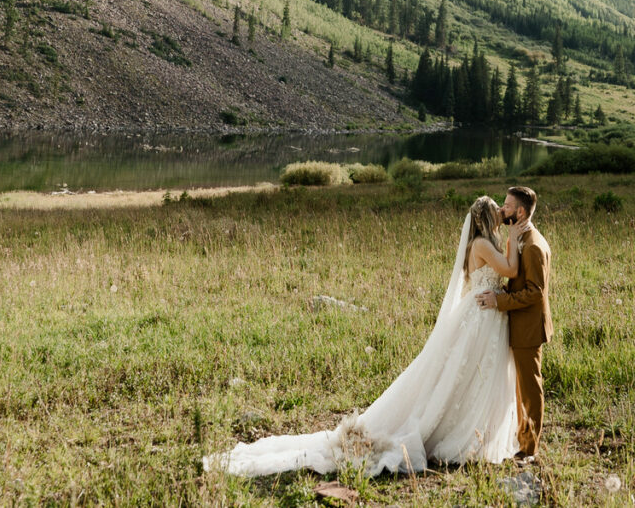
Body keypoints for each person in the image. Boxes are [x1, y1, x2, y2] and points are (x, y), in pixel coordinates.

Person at [204, 194, 523, 476]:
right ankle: (459, 433)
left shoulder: (485, 243)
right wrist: (514, 235)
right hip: (480, 315)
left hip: (486, 315)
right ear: (486, 217)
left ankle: (476, 427)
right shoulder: (481, 245)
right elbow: (509, 270)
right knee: (462, 374)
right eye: (497, 209)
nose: (501, 213)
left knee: (469, 376)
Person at [476, 185, 551, 461]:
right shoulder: (521, 238)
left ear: (519, 212)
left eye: (506, 206)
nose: (502, 209)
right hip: (519, 324)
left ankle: (529, 449)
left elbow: (535, 292)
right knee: (520, 388)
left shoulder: (532, 245)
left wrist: (499, 300)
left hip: (528, 327)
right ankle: (522, 439)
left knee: (529, 388)